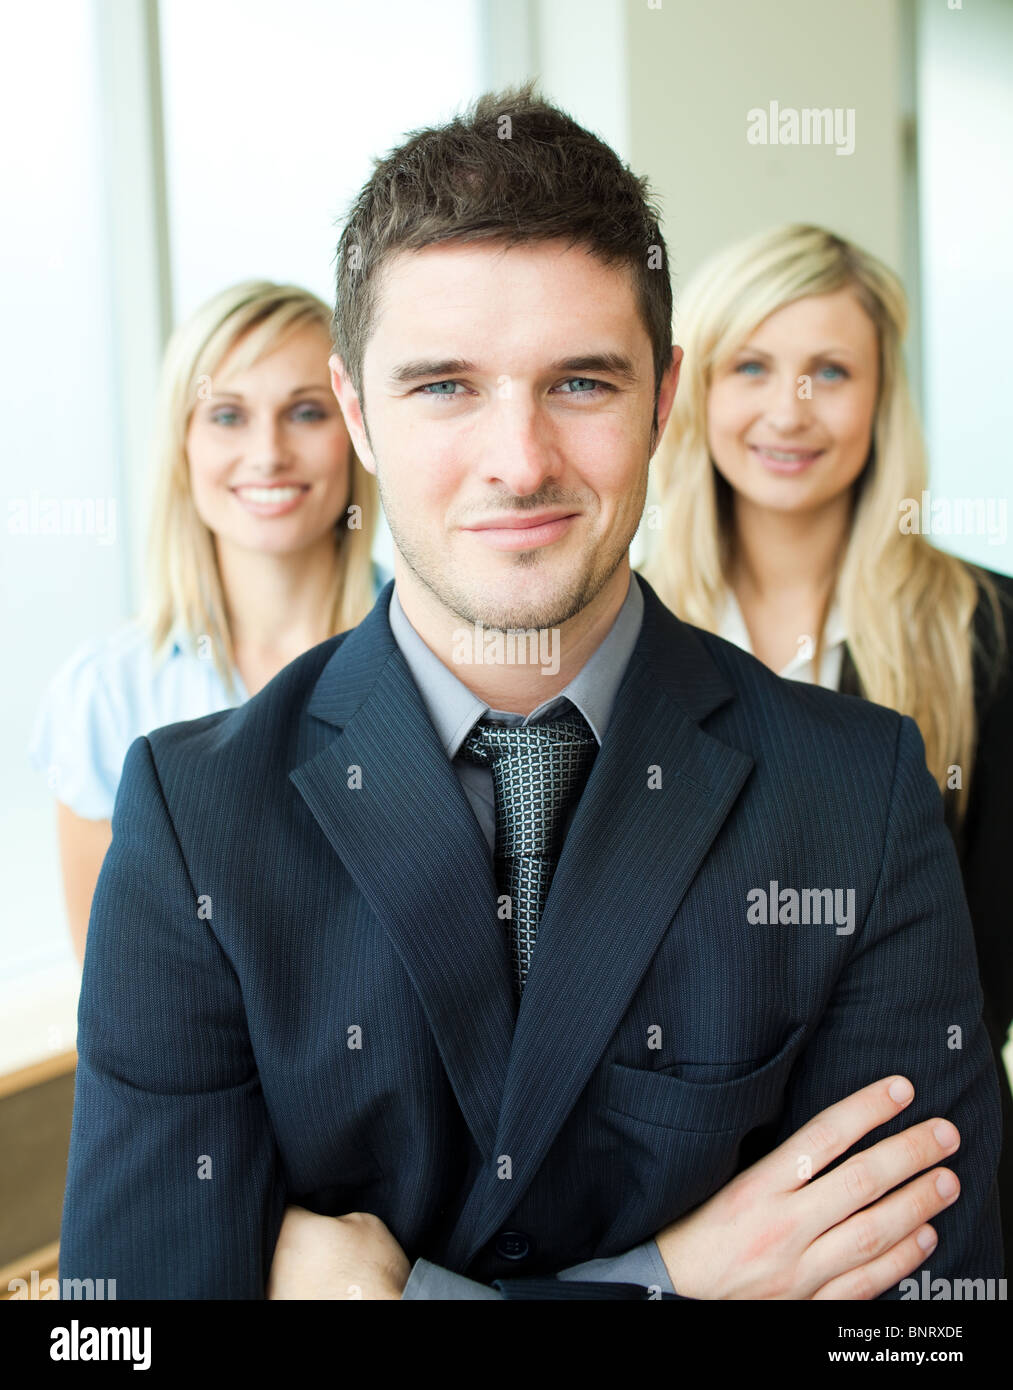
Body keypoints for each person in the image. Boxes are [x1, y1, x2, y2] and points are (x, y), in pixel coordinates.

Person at [58, 86, 1001, 1300]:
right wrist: (669, 1281)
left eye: (580, 384)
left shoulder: (855, 793)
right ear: (358, 413)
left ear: (661, 399)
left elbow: (923, 1326)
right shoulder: (193, 814)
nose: (518, 461)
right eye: (444, 386)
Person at [641, 223, 1013, 1268]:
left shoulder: (987, 635)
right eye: (750, 367)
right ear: (690, 389)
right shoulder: (615, 634)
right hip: (666, 1203)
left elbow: (982, 972)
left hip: (918, 1182)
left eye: (830, 372)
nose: (788, 410)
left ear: (881, 395)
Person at [28, 280, 385, 963]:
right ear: (182, 444)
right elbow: (113, 988)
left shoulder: (440, 656)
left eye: (306, 412)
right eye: (227, 415)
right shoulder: (106, 695)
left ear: (355, 432)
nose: (268, 453)